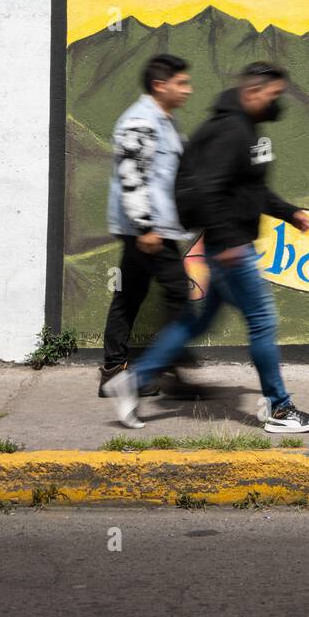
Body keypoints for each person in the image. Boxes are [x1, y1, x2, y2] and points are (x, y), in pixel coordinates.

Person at [103, 63, 309, 434]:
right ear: (253, 93)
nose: (278, 103)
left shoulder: (241, 127)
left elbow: (249, 191)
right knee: (262, 321)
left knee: (197, 321)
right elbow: (208, 189)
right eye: (274, 95)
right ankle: (280, 408)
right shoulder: (231, 131)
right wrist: (224, 241)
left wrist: (289, 213)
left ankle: (132, 379)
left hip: (227, 245)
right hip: (231, 247)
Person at [101, 53, 200, 400]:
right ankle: (168, 370)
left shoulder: (163, 120)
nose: (188, 89)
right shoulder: (141, 121)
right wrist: (145, 227)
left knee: (129, 297)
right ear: (161, 85)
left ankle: (115, 370)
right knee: (177, 295)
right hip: (147, 230)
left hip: (155, 228)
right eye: (181, 83)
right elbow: (133, 177)